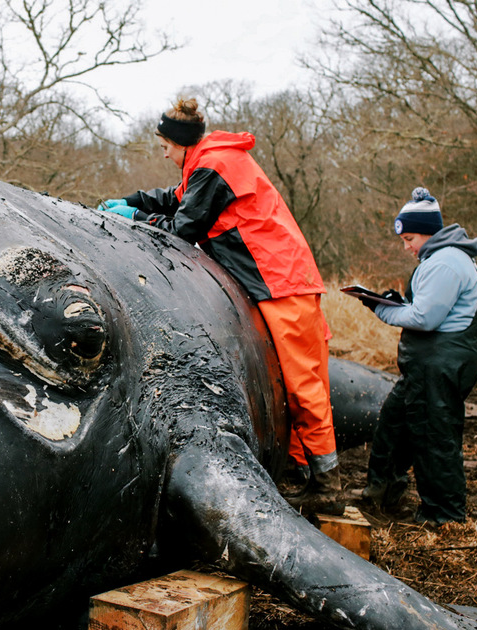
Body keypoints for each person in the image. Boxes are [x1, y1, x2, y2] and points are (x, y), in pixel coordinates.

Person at [97, 97, 343, 515]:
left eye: (164, 146)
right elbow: (175, 198)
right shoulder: (208, 163)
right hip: (279, 279)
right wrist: (131, 200)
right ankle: (304, 474)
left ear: (179, 142)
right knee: (291, 380)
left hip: (280, 281)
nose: (162, 153)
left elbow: (182, 228)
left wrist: (134, 218)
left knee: (303, 384)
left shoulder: (215, 165)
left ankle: (328, 486)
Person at [356, 187, 477, 526]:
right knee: (394, 424)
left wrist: (381, 309)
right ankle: (382, 494)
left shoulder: (445, 262)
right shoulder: (444, 258)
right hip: (428, 366)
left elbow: (424, 319)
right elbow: (429, 309)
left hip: (440, 366)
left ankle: (443, 517)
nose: (407, 247)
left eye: (410, 238)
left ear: (428, 232)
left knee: (435, 438)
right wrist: (396, 302)